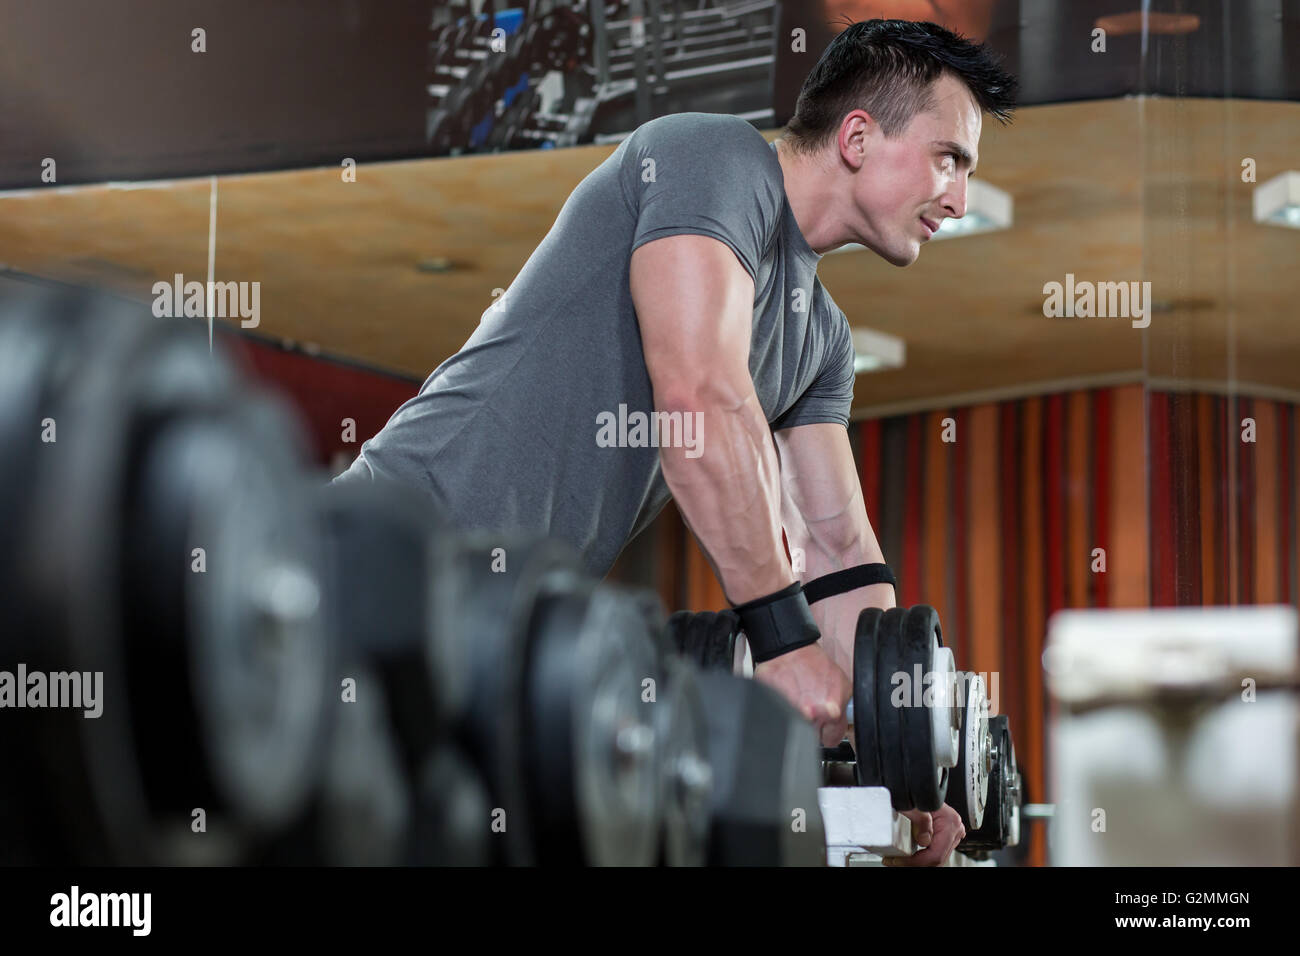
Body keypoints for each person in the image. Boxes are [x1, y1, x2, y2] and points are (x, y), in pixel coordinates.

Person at [334, 18, 1016, 864]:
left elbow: (840, 551)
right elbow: (696, 401)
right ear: (855, 136)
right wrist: (782, 641)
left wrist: (903, 764)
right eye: (949, 157)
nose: (957, 195)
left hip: (495, 627)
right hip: (392, 548)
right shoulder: (709, 159)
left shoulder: (822, 342)